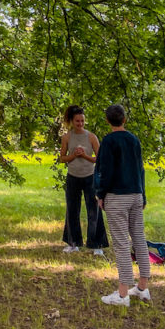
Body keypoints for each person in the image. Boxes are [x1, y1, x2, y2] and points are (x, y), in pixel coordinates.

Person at [93, 103, 151, 306]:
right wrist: (143, 194)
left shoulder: (109, 141)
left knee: (121, 243)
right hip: (136, 193)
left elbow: (104, 170)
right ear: (124, 119)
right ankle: (142, 287)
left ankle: (123, 293)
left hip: (117, 196)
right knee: (139, 239)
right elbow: (140, 169)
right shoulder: (134, 140)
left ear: (107, 121)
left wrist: (100, 193)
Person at [58, 105, 108, 256]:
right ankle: (73, 243)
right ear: (72, 121)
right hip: (73, 177)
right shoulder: (67, 137)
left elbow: (100, 159)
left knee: (94, 210)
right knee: (72, 210)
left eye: (82, 121)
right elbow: (62, 158)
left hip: (90, 177)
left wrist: (85, 155)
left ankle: (96, 245)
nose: (80, 123)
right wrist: (73, 155)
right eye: (77, 121)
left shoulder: (91, 137)